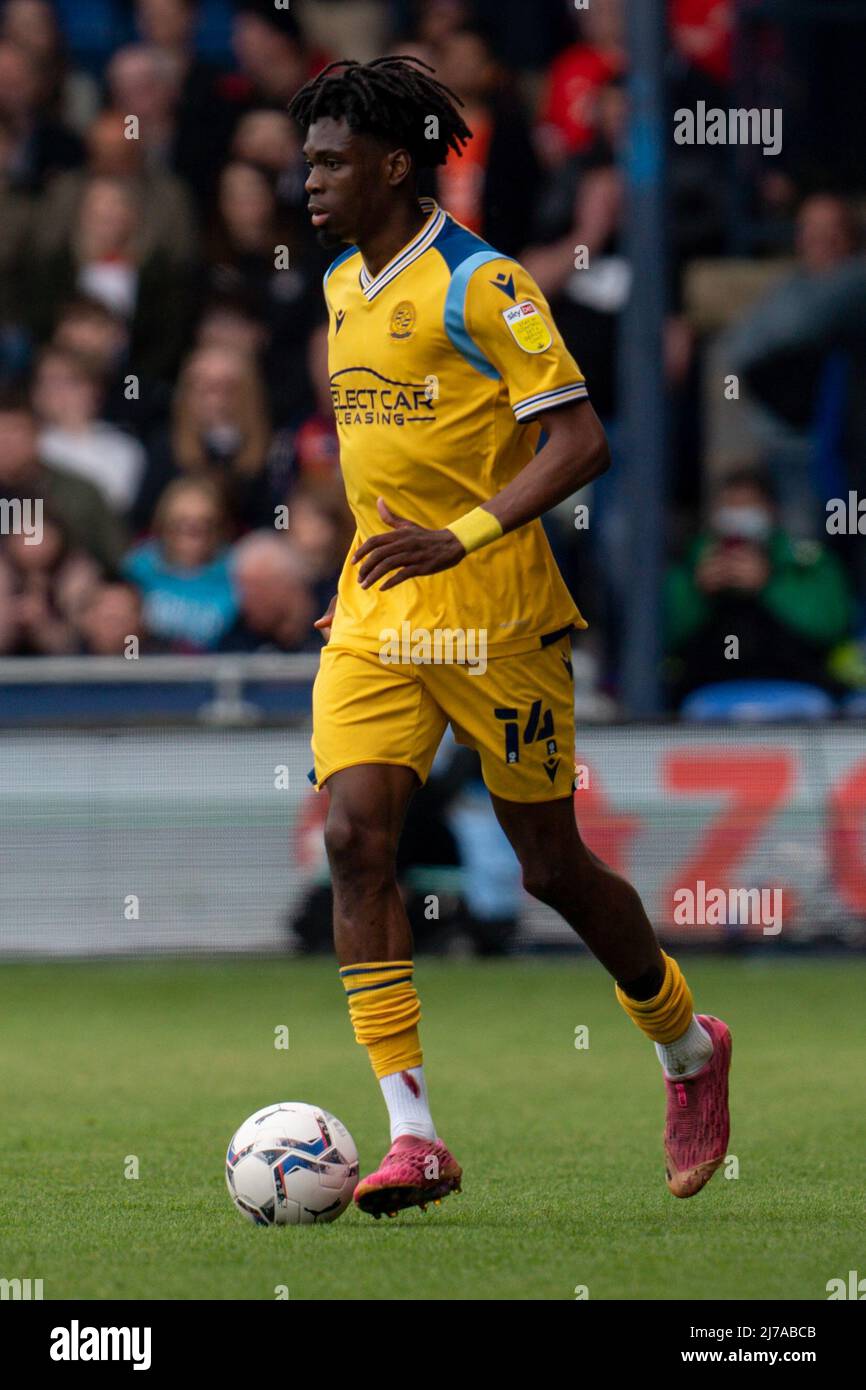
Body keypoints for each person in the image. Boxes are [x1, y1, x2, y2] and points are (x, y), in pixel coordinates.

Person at [290, 55, 732, 1218]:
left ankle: (685, 1046)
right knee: (353, 838)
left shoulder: (482, 285)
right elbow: (382, 452)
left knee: (547, 865)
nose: (310, 182)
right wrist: (370, 566)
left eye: (330, 162)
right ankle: (412, 1133)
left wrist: (462, 534)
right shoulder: (341, 286)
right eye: (305, 163)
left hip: (498, 615)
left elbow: (583, 442)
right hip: (381, 613)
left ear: (394, 162)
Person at [663, 466, 855, 707]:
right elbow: (659, 635)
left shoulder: (806, 561)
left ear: (772, 511)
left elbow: (832, 623)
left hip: (800, 692)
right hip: (704, 694)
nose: (738, 517)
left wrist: (769, 585)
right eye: (730, 506)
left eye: (748, 506)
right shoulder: (690, 562)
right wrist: (696, 593)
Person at [122, 477, 237, 651]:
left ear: (219, 528)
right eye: (181, 524)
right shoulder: (138, 568)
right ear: (163, 526)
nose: (192, 535)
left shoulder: (236, 570)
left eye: (204, 525)